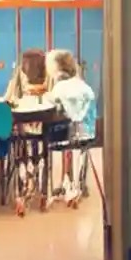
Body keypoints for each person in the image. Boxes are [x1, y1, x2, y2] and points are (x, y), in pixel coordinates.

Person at [45, 49, 96, 203]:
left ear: (56, 68)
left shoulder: (59, 88)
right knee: (73, 138)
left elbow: (51, 108)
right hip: (88, 134)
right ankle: (78, 185)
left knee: (53, 133)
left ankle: (62, 183)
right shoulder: (84, 86)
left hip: (66, 135)